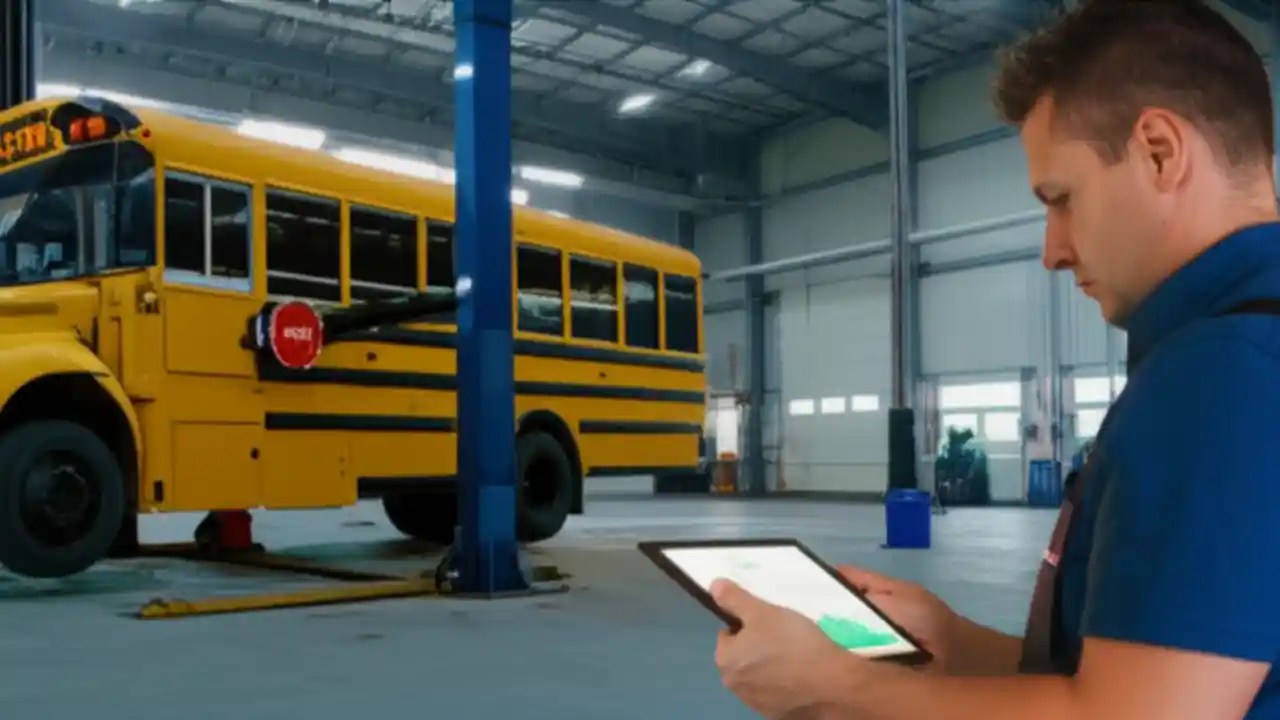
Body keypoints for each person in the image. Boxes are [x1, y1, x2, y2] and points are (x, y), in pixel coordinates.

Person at [710, 1, 1280, 718]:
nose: (1052, 250)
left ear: (1161, 151)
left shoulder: (1221, 377)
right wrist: (953, 642)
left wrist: (842, 690)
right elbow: (1154, 675)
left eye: (1061, 199)